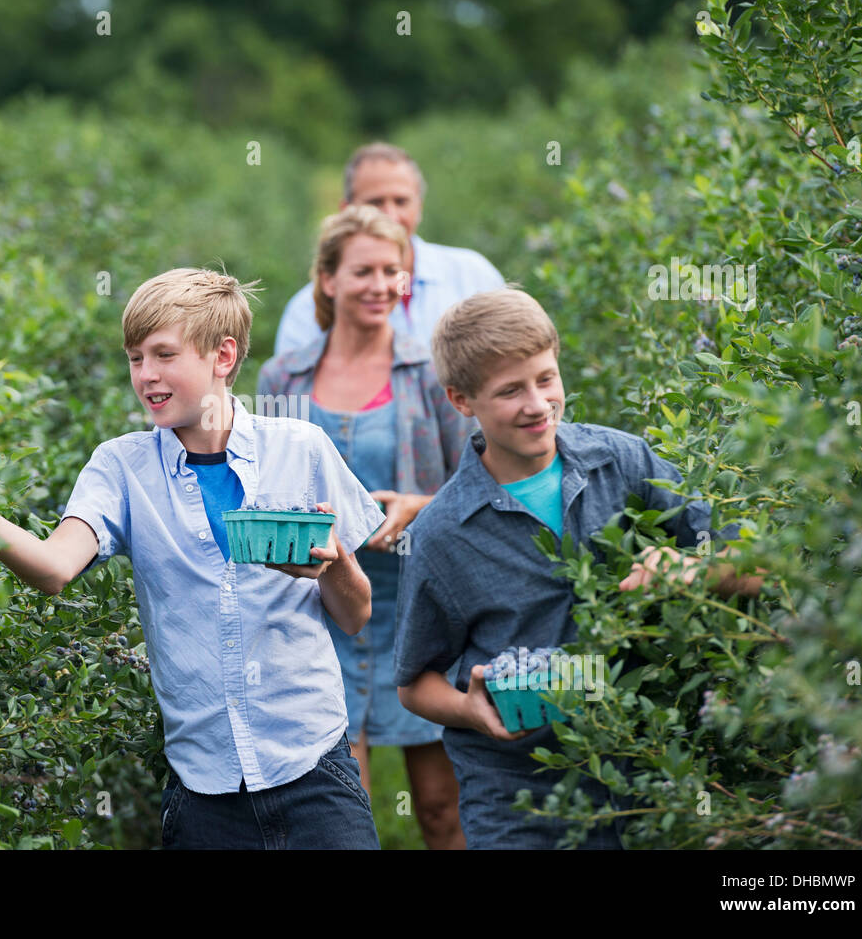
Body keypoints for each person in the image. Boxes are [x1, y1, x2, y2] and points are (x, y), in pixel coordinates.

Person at [0, 267, 387, 849]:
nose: (147, 375)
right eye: (136, 358)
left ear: (222, 355)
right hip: (204, 786)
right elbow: (56, 568)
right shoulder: (120, 467)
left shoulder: (301, 449)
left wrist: (331, 564)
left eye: (164, 354)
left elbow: (356, 613)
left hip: (313, 766)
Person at [393, 287, 764, 849]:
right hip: (521, 791)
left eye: (545, 378)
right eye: (510, 391)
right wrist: (469, 710)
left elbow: (756, 563)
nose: (538, 404)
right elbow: (414, 683)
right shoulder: (443, 534)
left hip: (647, 765)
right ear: (461, 399)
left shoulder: (625, 464)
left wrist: (691, 571)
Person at [258, 205, 474, 850]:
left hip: (419, 605)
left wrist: (417, 504)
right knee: (341, 802)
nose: (382, 285)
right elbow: (266, 481)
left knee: (439, 806)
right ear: (327, 279)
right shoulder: (283, 376)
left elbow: (478, 485)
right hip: (321, 604)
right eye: (364, 271)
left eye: (394, 271)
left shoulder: (431, 371)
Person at [273, 142, 505, 356]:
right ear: (347, 210)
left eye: (401, 202)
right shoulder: (305, 313)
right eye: (375, 202)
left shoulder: (473, 276)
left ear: (419, 207)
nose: (391, 215)